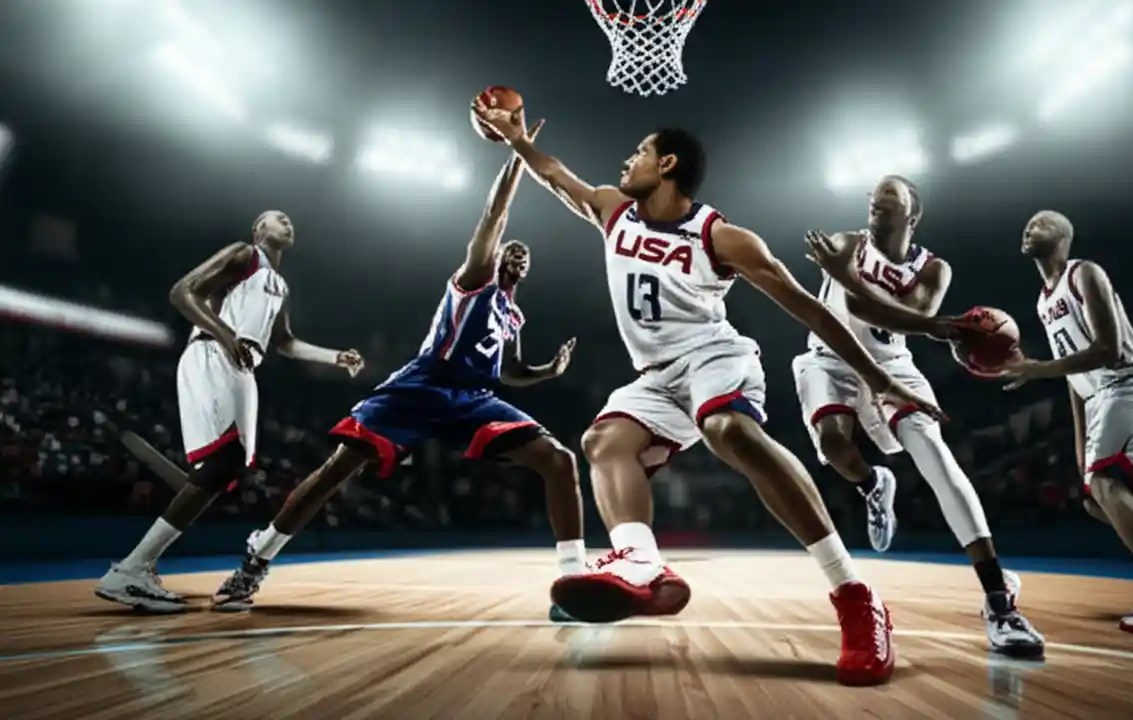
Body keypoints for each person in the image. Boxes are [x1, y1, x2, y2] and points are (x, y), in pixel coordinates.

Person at [471, 102, 946, 686]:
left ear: (666, 163)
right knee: (603, 439)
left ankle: (856, 596)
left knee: (728, 431)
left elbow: (813, 310)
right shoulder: (612, 210)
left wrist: (882, 380)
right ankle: (641, 561)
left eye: (639, 152)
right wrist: (517, 141)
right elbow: (554, 175)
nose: (627, 160)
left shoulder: (721, 237)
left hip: (716, 357)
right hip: (656, 374)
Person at [209, 127, 588, 613]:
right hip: (424, 384)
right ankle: (255, 561)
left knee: (560, 460)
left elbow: (509, 373)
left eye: (524, 255)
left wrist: (548, 371)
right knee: (336, 470)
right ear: (497, 257)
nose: (517, 255)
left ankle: (573, 583)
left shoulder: (512, 316)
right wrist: (518, 152)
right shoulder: (474, 279)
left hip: (472, 398)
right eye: (511, 250)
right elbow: (495, 215)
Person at [798, 175, 1044, 658]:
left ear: (913, 215)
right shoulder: (847, 243)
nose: (878, 203)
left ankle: (998, 599)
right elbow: (857, 305)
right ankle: (873, 485)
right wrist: (931, 325)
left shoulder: (934, 269)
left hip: (893, 366)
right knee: (831, 445)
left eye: (891, 199)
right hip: (830, 358)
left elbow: (906, 315)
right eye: (874, 198)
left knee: (934, 455)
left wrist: (927, 323)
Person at [95, 210, 364, 612]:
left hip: (244, 365)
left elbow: (285, 344)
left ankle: (137, 568)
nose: (287, 221)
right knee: (221, 465)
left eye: (291, 219)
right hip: (213, 350)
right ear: (259, 230)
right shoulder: (244, 255)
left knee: (227, 469)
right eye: (277, 218)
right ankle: (130, 570)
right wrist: (225, 333)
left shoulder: (281, 285)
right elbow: (183, 292)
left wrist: (335, 357)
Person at [1003, 209, 1133, 634]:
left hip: (1128, 381)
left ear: (1064, 238)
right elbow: (1072, 373)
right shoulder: (1044, 302)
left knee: (1104, 487)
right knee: (1093, 497)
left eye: (1043, 223)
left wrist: (1033, 368)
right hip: (1101, 396)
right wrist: (1080, 441)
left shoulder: (1085, 274)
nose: (1031, 227)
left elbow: (1108, 349)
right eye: (1028, 223)